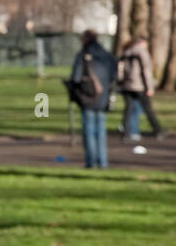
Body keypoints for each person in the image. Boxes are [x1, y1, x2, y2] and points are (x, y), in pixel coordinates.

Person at [70, 29, 118, 169]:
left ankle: (91, 162)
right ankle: (103, 162)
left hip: (87, 97)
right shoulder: (107, 55)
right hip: (103, 97)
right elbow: (114, 76)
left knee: (89, 131)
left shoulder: (83, 55)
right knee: (101, 131)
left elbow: (76, 77)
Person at [117, 36, 164, 142]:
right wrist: (149, 87)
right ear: (142, 43)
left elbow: (120, 68)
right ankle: (158, 130)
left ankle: (127, 133)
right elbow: (146, 71)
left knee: (128, 110)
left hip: (127, 85)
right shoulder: (142, 53)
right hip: (140, 86)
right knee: (148, 109)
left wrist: (120, 82)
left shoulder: (126, 52)